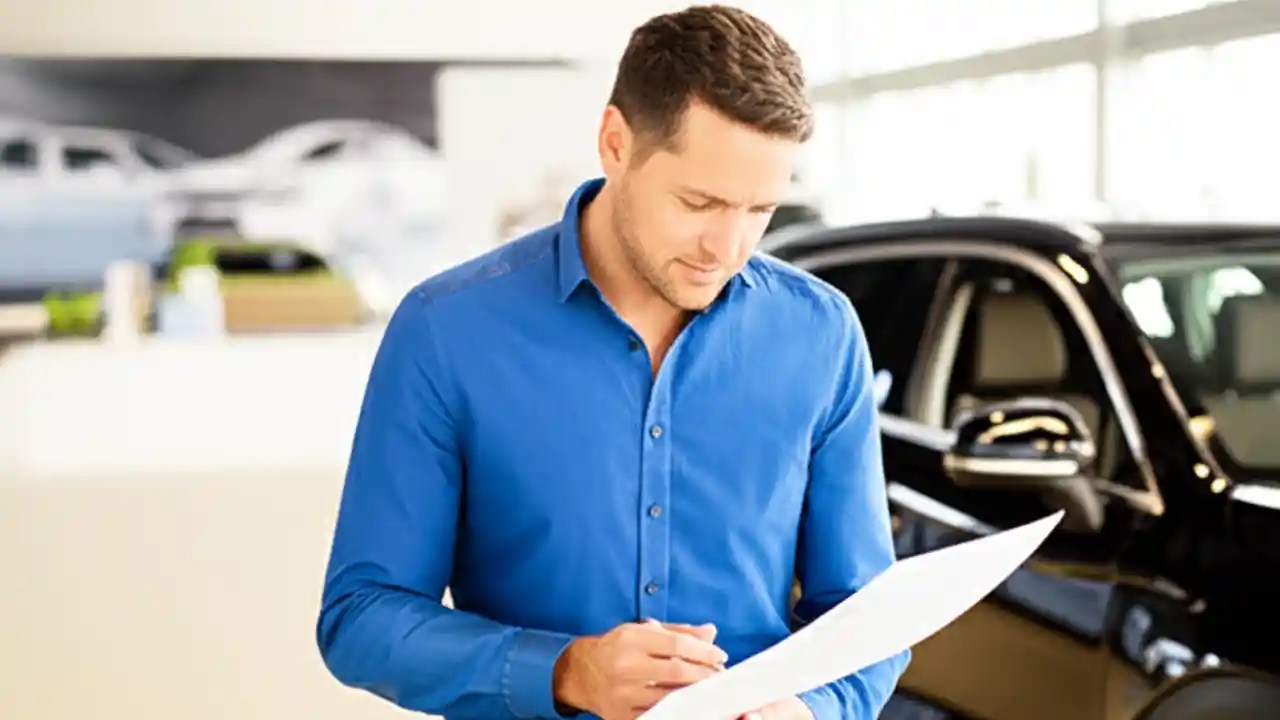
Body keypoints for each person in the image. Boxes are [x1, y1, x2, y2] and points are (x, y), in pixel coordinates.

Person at [316, 5, 910, 719]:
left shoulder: (820, 334)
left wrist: (814, 709)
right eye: (699, 202)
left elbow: (866, 615)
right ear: (614, 143)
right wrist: (564, 671)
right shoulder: (446, 331)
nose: (727, 248)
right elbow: (362, 616)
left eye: (759, 211)